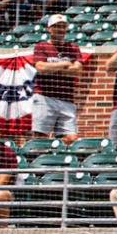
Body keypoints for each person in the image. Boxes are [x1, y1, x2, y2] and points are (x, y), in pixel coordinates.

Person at [30, 13, 85, 141]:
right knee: (40, 137)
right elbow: (41, 68)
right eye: (56, 26)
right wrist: (65, 64)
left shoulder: (73, 48)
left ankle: (54, 150)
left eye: (63, 26)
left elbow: (77, 71)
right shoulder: (41, 46)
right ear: (49, 29)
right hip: (45, 97)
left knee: (71, 138)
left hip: (66, 98)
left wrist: (52, 68)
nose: (60, 29)